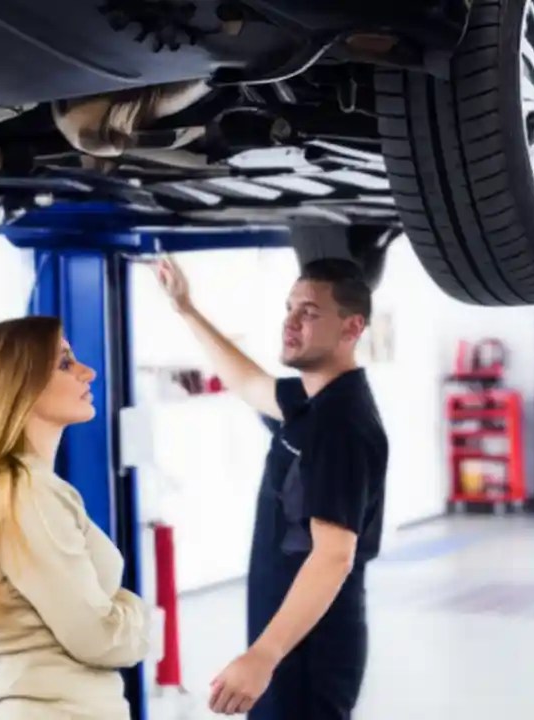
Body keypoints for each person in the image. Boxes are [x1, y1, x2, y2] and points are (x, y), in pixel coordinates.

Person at [155, 255, 388, 719]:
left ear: (351, 327)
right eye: (289, 308)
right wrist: (186, 308)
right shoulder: (311, 402)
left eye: (310, 312)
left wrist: (265, 654)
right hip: (290, 640)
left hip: (309, 652)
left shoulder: (340, 425)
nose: (291, 322)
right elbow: (248, 381)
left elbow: (334, 555)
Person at [0, 317, 151, 720]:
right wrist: (137, 613)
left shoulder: (17, 487)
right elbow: (97, 638)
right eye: (65, 363)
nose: (89, 372)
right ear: (20, 386)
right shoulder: (27, 491)